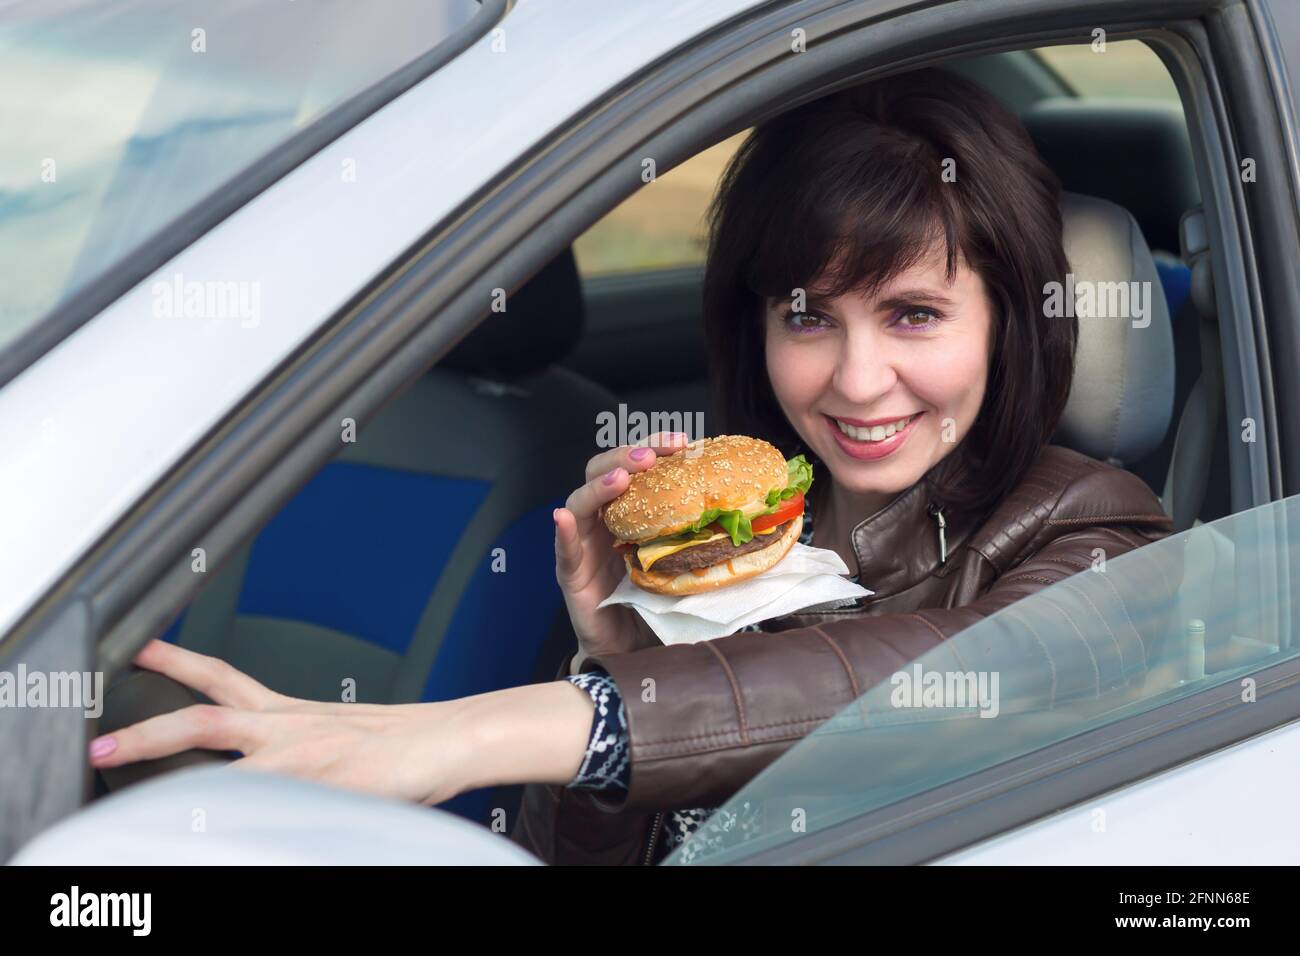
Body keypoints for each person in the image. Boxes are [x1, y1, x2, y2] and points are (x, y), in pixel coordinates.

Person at [88, 69, 1174, 865]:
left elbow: (915, 677)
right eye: (806, 313)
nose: (855, 377)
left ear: (1010, 324)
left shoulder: (1101, 536)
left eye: (914, 315)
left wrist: (484, 730)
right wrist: (616, 639)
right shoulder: (721, 544)